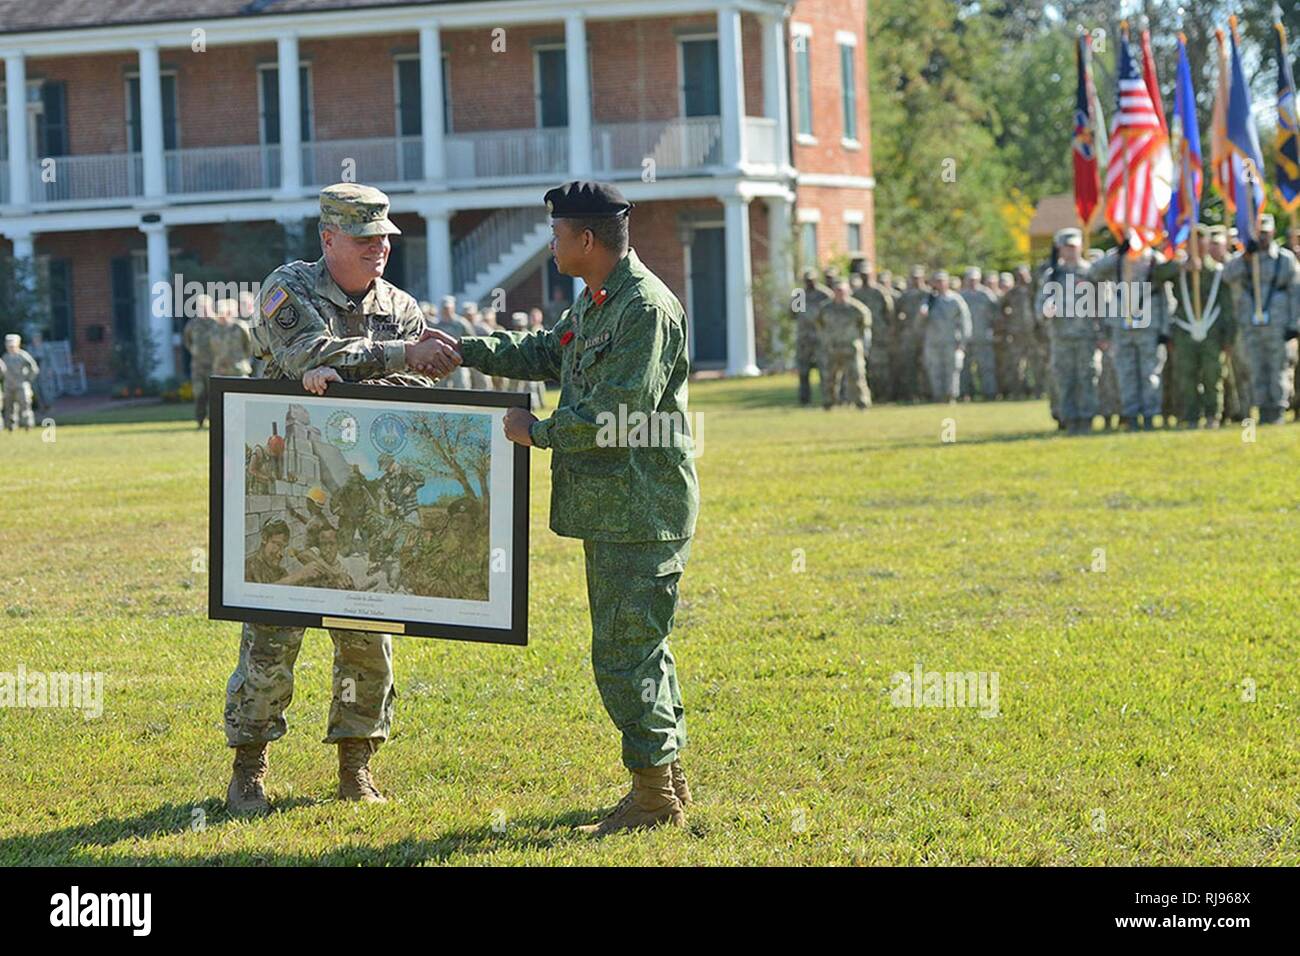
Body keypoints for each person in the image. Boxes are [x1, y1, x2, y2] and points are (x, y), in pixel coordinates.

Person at [424, 180, 698, 835]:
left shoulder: (644, 310)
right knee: (644, 649)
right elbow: (549, 353)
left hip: (640, 510)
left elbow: (620, 415)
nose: (550, 245)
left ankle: (654, 798)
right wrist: (467, 350)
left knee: (624, 654)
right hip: (615, 509)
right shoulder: (599, 299)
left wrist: (537, 432)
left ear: (585, 239)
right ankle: (666, 781)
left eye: (555, 235)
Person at [224, 182, 460, 815]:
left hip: (365, 501)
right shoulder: (287, 289)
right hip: (289, 491)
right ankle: (249, 769)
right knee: (272, 636)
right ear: (328, 239)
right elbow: (306, 352)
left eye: (384, 239)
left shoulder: (401, 306)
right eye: (363, 240)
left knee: (367, 636)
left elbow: (416, 386)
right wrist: (392, 357)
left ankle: (355, 766)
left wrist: (383, 365)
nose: (378, 249)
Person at [1154, 226, 1236, 428]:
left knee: (1212, 374)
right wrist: (1180, 267)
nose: (1196, 246)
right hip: (1184, 331)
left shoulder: (1217, 272)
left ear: (1207, 244)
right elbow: (1156, 275)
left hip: (1212, 332)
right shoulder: (1179, 269)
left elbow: (1227, 308)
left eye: (1200, 242)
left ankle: (1212, 415)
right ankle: (1191, 416)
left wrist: (1228, 338)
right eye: (1192, 242)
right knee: (1186, 375)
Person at [1222, 214, 1300, 424]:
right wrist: (1246, 255)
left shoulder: (1285, 259)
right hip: (1251, 327)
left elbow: (1295, 292)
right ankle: (1261, 410)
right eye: (1259, 233)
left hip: (1278, 326)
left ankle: (1277, 411)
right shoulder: (1245, 258)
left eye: (1266, 233)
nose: (1263, 237)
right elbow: (1226, 276)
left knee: (1278, 368)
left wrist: (1294, 324)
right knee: (1255, 368)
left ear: (1273, 232)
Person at [1091, 235, 1171, 430]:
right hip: (1121, 325)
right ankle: (1131, 415)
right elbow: (1093, 272)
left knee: (1150, 373)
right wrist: (1118, 253)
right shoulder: (1117, 259)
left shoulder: (1154, 259)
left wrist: (1165, 329)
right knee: (1125, 373)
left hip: (1148, 325)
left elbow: (1166, 295)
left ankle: (1150, 416)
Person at [1038, 228, 1099, 435]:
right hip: (1061, 336)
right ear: (1059, 249)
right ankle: (1068, 418)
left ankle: (1086, 418)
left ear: (1080, 246)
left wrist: (1104, 332)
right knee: (1064, 378)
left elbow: (1105, 303)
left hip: (1086, 335)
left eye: (1073, 246)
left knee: (1087, 377)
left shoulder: (1091, 272)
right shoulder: (1052, 275)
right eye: (1066, 247)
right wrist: (1046, 310)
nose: (1070, 251)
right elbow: (1041, 305)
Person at [816, 280, 872, 409]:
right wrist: (826, 340)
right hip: (832, 348)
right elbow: (819, 324)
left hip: (851, 348)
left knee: (857, 376)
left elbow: (865, 326)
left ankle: (862, 402)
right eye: (837, 291)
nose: (839, 294)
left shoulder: (857, 308)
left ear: (848, 292)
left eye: (842, 291)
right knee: (829, 377)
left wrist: (863, 344)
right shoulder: (825, 308)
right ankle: (829, 403)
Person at [921, 270, 970, 403]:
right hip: (933, 341)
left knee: (952, 369)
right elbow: (920, 321)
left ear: (947, 282)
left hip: (951, 340)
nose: (940, 284)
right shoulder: (929, 299)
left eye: (942, 281)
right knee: (934, 368)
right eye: (937, 281)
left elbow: (965, 322)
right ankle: (937, 395)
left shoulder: (955, 299)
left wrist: (963, 342)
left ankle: (951, 396)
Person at [852, 258, 894, 403]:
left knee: (880, 367)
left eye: (867, 274)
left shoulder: (880, 292)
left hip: (879, 335)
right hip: (861, 335)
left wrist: (887, 332)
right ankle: (869, 396)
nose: (864, 276)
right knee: (865, 367)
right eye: (862, 274)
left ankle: (884, 396)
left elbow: (889, 314)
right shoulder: (856, 294)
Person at [958, 268, 998, 400]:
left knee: (986, 367)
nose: (972, 282)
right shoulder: (961, 296)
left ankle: (989, 393)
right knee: (965, 369)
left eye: (975, 280)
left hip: (983, 337)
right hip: (966, 339)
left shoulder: (986, 294)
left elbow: (996, 315)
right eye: (970, 279)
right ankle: (966, 393)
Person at [793, 269, 831, 405]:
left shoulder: (825, 294)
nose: (810, 283)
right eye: (807, 281)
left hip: (820, 338)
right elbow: (792, 314)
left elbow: (832, 314)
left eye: (812, 280)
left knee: (824, 368)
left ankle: (827, 398)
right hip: (804, 339)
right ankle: (804, 399)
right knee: (803, 370)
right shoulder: (799, 295)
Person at [893, 266, 929, 402]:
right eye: (914, 278)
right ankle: (912, 394)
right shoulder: (905, 296)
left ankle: (927, 393)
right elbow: (896, 314)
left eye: (918, 277)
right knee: (910, 366)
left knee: (926, 365)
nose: (916, 280)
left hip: (926, 335)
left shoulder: (929, 294)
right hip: (909, 335)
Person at [182, 294, 217, 428]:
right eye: (200, 307)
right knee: (199, 393)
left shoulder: (216, 323)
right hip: (198, 366)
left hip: (215, 365)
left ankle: (214, 421)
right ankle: (200, 420)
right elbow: (187, 341)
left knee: (213, 395)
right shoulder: (192, 325)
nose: (203, 309)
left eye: (205, 306)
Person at [1, 333, 40, 431]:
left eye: (12, 345)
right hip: (8, 385)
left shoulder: (23, 355)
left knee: (25, 405)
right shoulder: (5, 357)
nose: (10, 347)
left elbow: (34, 368)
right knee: (9, 407)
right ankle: (11, 426)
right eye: (8, 345)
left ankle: (28, 425)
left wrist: (28, 379)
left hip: (21, 385)